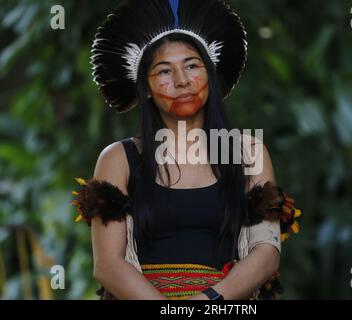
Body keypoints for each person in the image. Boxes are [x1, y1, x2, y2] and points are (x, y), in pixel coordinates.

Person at [72, 0, 301, 300]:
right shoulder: (119, 159)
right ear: (146, 89)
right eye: (164, 71)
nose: (182, 81)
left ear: (210, 74)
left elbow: (266, 252)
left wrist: (206, 302)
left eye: (192, 66)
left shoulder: (249, 154)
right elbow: (108, 265)